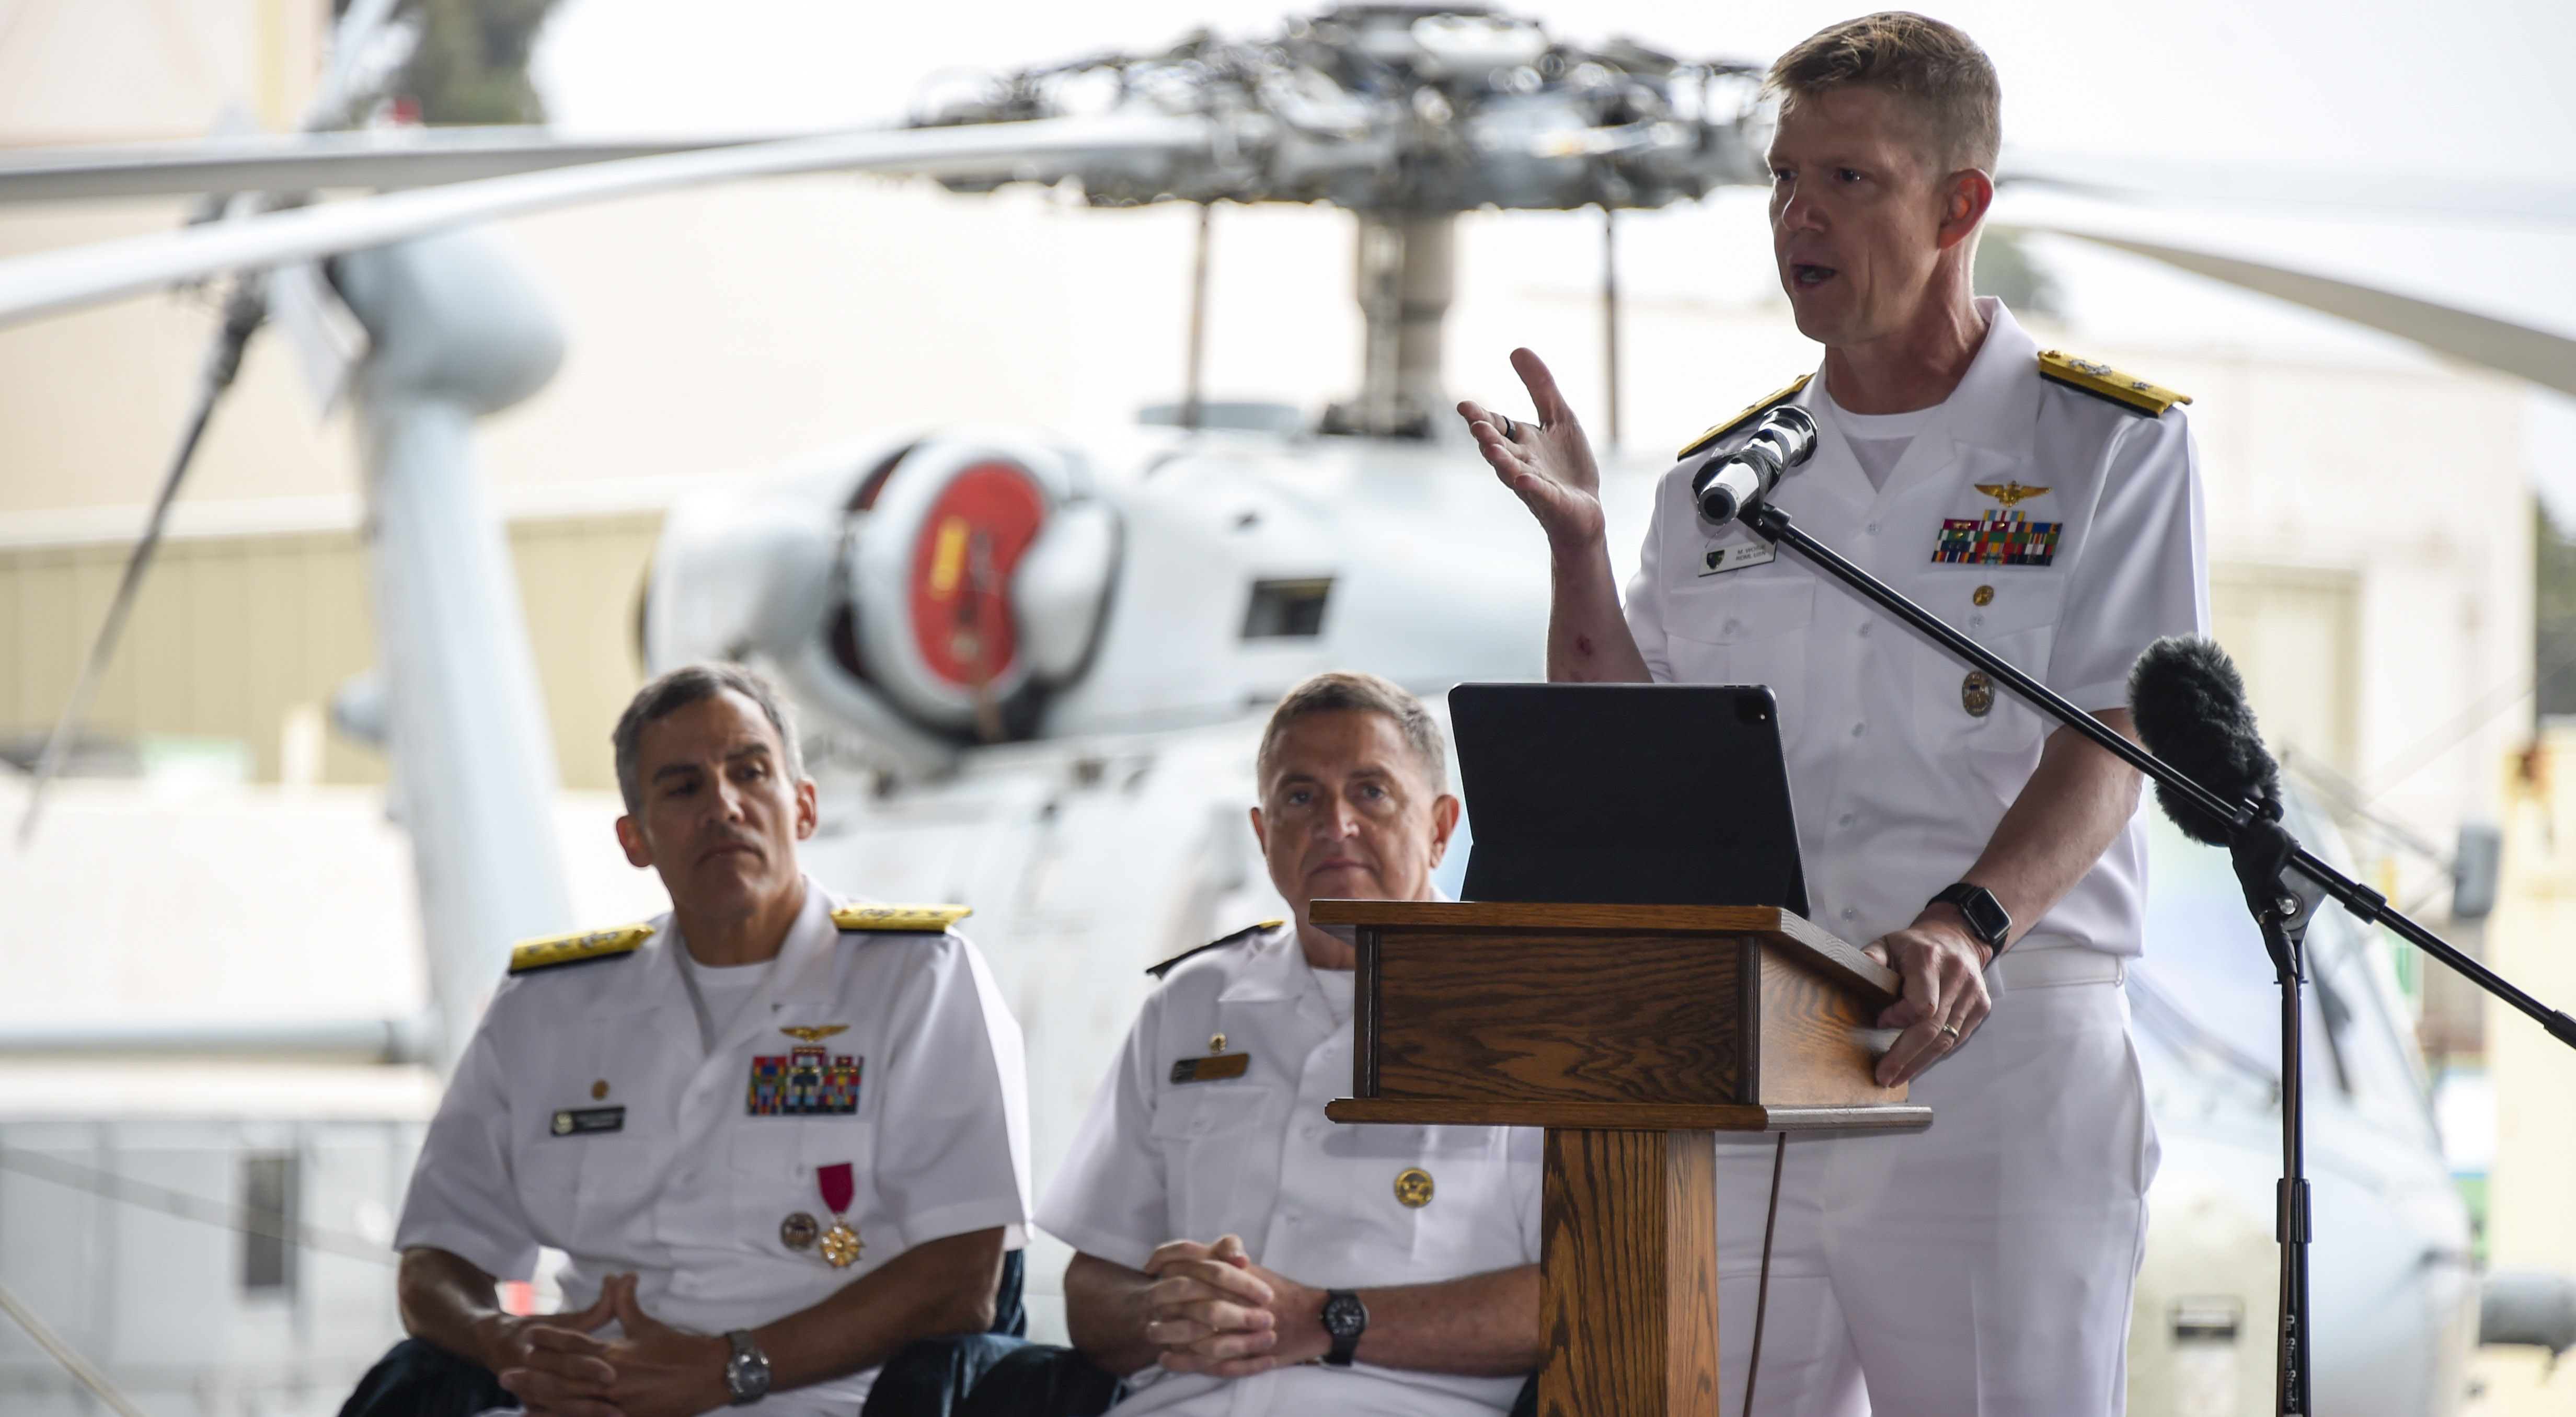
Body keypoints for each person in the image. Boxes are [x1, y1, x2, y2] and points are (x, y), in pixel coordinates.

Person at [1460, 13, 2203, 1415]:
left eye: (1849, 179)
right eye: (1784, 181)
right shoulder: (1719, 490)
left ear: (1959, 203)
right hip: (1745, 1050)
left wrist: (1967, 921)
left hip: (1992, 1049)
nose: (1798, 214)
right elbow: (1640, 769)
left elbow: (2114, 731)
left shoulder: (2105, 446)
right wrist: (1577, 546)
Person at [340, 663, 1033, 1417]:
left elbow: (963, 1280)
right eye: (682, 788)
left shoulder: (919, 976)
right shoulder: (549, 1007)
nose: (724, 807)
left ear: (802, 807)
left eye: (751, 773)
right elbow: (438, 1256)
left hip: (821, 1400)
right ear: (634, 839)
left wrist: (730, 1367)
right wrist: (506, 1342)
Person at [1026, 672, 1544, 1417]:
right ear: (1265, 837)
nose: (1336, 823)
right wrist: (1166, 1309)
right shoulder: (1191, 1004)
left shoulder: (1536, 1013)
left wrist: (1322, 1321)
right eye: (1300, 798)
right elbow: (1091, 1286)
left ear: (1439, 827)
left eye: (1371, 791)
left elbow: (1582, 1293)